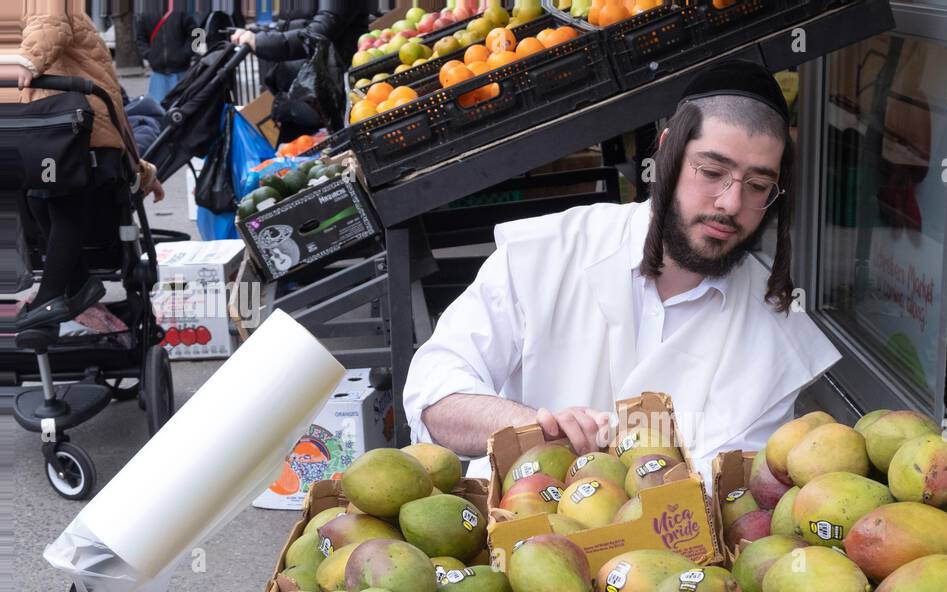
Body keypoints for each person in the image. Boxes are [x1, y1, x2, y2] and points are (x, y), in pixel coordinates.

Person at [403, 60, 841, 489]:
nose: (730, 202)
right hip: (515, 540)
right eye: (711, 172)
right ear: (668, 149)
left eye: (758, 186)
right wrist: (527, 427)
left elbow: (738, 491)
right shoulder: (549, 251)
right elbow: (433, 390)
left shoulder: (777, 337)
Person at [0, 0, 165, 327]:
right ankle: (77, 285)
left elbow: (48, 28)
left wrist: (27, 63)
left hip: (76, 134)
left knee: (62, 206)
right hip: (56, 130)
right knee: (37, 200)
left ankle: (53, 295)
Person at [231, 0, 370, 142]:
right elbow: (293, 25)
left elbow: (320, 31)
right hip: (301, 91)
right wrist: (258, 36)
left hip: (327, 94)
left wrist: (261, 42)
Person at [134, 0, 197, 104]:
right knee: (158, 111)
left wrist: (187, 54)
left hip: (181, 72)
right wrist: (149, 55)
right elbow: (140, 38)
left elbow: (198, 34)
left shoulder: (182, 10)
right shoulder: (145, 13)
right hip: (158, 74)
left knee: (182, 108)